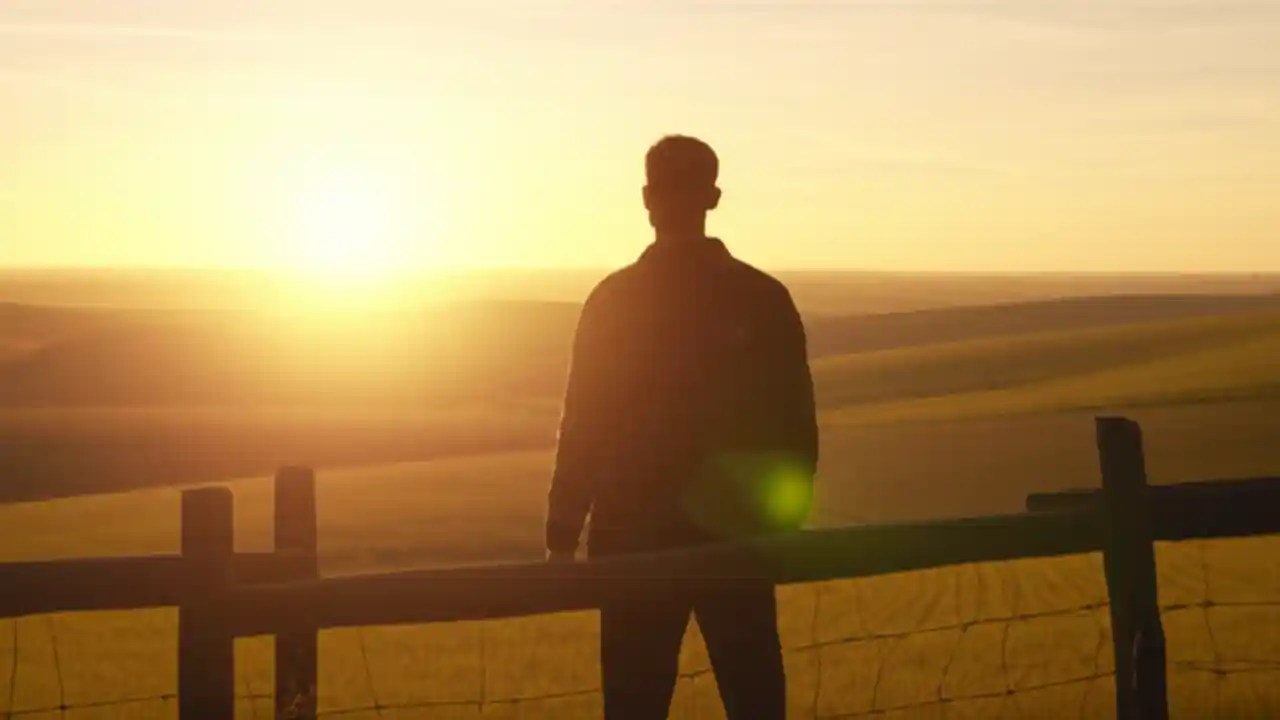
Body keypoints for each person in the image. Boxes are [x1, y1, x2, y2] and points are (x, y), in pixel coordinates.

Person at [545, 135, 819, 719]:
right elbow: (796, 426)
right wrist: (778, 528)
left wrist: (562, 534)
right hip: (738, 543)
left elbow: (584, 425)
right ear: (714, 198)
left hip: (633, 545)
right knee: (756, 704)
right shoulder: (765, 299)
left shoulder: (612, 302)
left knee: (634, 706)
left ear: (646, 199)